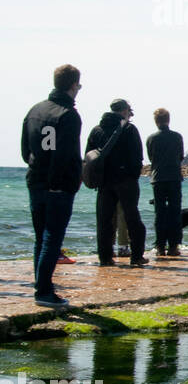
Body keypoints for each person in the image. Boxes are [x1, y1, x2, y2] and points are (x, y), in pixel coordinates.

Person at [22, 64, 83, 306]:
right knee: (52, 239)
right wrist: (60, 182)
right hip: (57, 186)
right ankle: (44, 292)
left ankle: (42, 287)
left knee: (41, 237)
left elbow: (25, 150)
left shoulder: (35, 110)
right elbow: (65, 154)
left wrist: (38, 168)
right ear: (73, 85)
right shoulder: (68, 115)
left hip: (35, 180)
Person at [86, 98, 148, 267]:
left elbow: (89, 156)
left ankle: (105, 258)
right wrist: (132, 175)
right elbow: (137, 157)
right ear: (124, 111)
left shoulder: (96, 130)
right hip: (125, 180)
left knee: (104, 221)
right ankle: (136, 256)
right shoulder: (129, 129)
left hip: (104, 181)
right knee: (132, 218)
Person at [146, 107, 184, 258]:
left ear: (156, 122)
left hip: (158, 177)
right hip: (174, 176)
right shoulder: (177, 137)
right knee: (175, 213)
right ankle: (174, 246)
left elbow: (150, 157)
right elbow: (180, 156)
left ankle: (160, 245)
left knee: (159, 213)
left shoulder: (151, 138)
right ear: (168, 120)